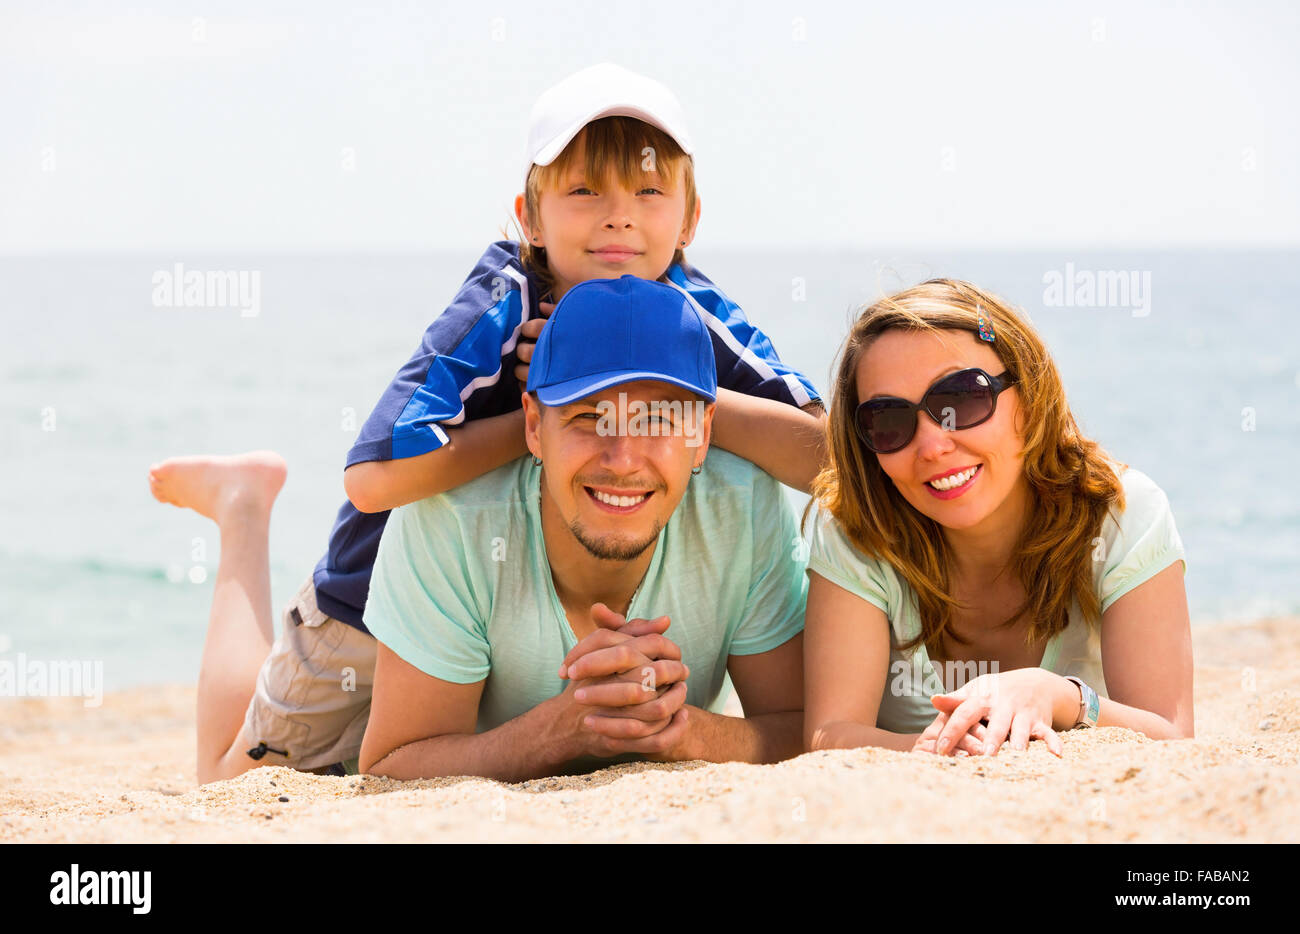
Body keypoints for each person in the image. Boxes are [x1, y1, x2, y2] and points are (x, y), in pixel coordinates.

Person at [148, 64, 824, 783]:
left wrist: (680, 402)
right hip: (379, 587)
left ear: (688, 220)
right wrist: (540, 411)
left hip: (502, 595)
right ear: (530, 216)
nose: (619, 215)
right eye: (584, 189)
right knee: (230, 780)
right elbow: (374, 480)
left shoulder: (692, 316)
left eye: (650, 191)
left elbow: (826, 458)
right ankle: (242, 509)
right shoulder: (503, 303)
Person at [359, 276, 807, 780]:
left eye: (657, 419)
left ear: (701, 433)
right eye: (590, 416)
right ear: (533, 426)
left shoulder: (744, 504)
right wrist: (564, 727)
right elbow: (389, 766)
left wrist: (684, 733)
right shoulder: (452, 518)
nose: (621, 460)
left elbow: (801, 730)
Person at [802, 279, 1193, 758]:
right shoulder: (858, 529)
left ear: (1028, 394)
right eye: (889, 421)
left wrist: (1057, 695)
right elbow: (829, 735)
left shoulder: (1123, 514)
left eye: (962, 399)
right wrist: (955, 747)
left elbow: (1172, 736)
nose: (932, 445)